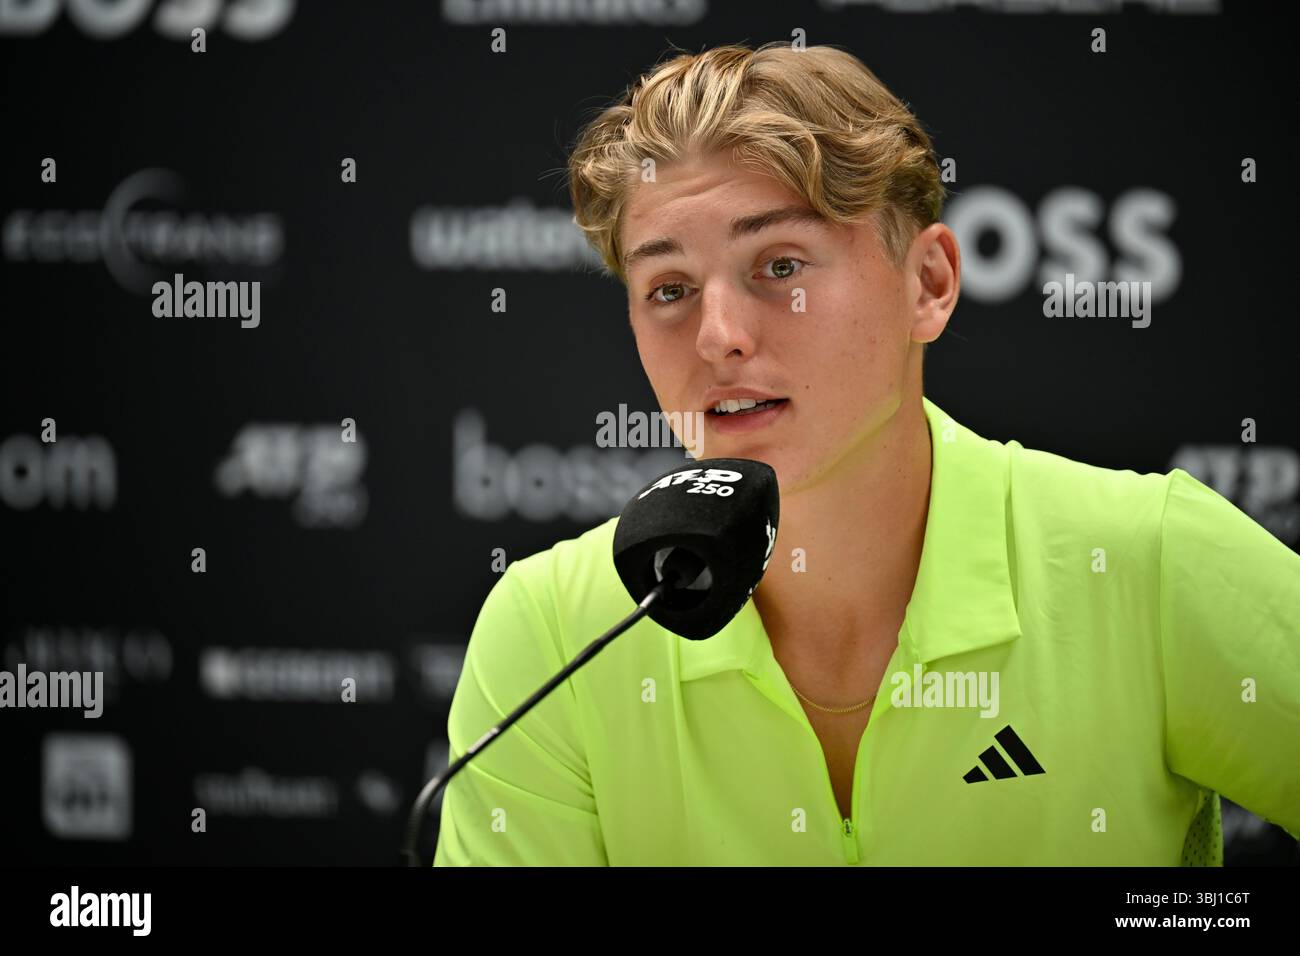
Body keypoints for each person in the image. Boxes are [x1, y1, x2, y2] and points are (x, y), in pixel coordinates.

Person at [433, 41, 1300, 865]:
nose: (718, 337)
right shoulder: (552, 635)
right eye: (668, 288)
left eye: (779, 267)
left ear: (928, 285)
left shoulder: (1146, 560)